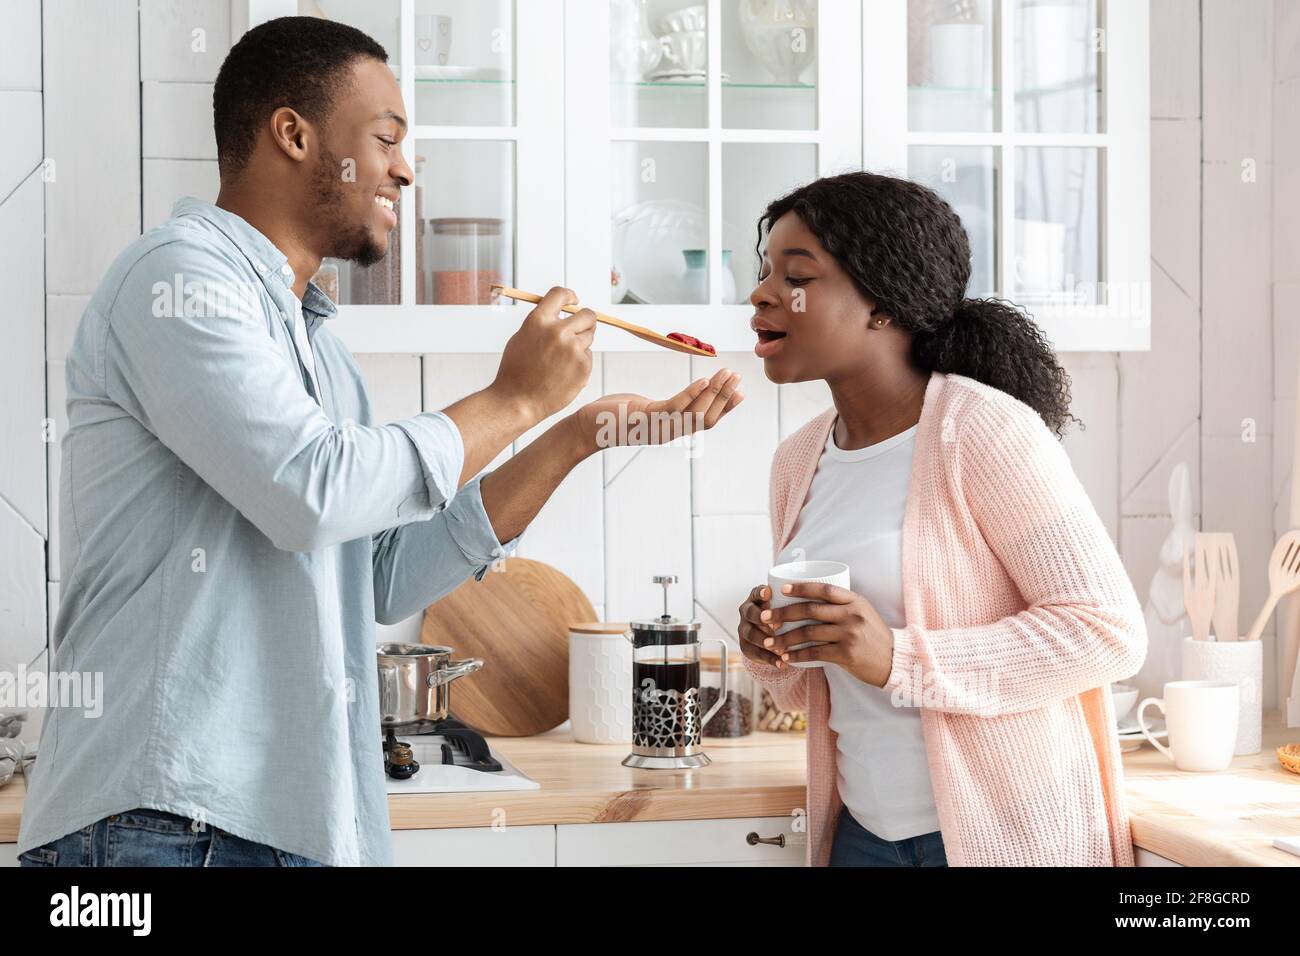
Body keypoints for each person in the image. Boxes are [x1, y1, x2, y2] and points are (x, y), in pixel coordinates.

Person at [16, 16, 743, 868]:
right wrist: (510, 399)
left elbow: (384, 574)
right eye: (387, 137)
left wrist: (572, 434)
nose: (405, 167)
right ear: (292, 134)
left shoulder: (317, 343)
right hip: (163, 821)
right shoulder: (178, 279)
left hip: (290, 821)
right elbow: (309, 491)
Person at [735, 171, 1146, 867]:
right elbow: (822, 691)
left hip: (1004, 837)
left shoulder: (984, 433)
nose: (764, 292)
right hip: (863, 836)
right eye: (765, 270)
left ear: (882, 307)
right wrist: (770, 647)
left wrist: (899, 656)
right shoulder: (798, 460)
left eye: (796, 275)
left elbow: (1106, 631)